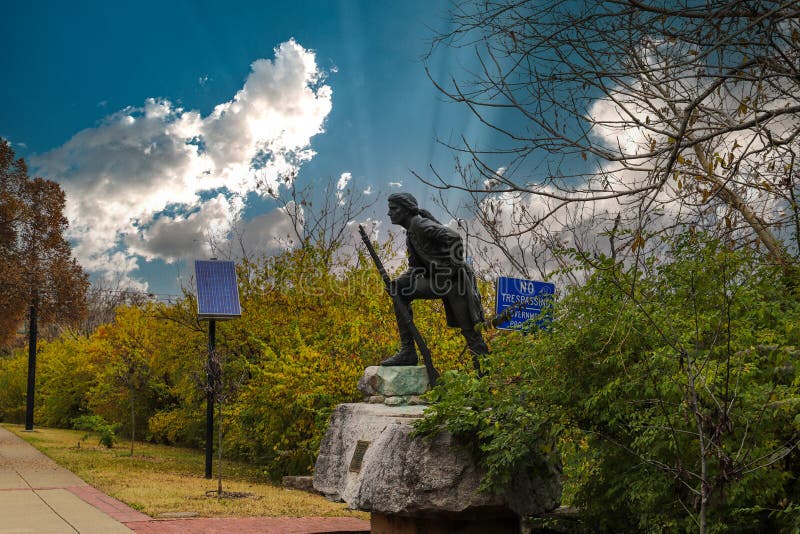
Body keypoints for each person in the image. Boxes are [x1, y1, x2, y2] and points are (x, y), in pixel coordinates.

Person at [382, 192, 488, 373]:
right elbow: (416, 267)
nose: (389, 213)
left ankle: (486, 378)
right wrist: (399, 282)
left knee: (471, 333)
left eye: (394, 209)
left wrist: (451, 271)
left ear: (406, 210)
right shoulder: (411, 231)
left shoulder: (420, 225)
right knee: (399, 291)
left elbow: (454, 237)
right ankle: (408, 351)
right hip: (441, 283)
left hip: (455, 284)